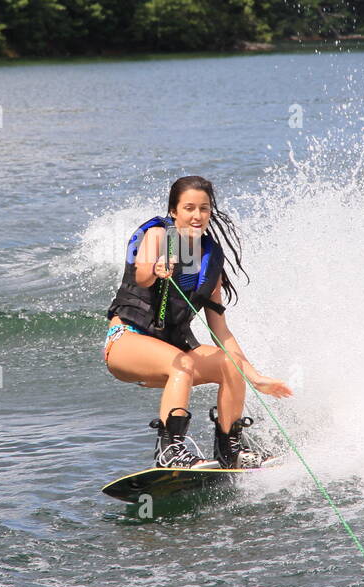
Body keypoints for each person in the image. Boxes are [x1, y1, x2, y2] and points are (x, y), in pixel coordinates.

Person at [102, 176, 293, 469]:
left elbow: (221, 331)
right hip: (127, 341)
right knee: (182, 362)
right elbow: (141, 275)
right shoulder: (157, 237)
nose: (197, 215)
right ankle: (170, 453)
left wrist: (255, 377)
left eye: (204, 208)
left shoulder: (209, 258)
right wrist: (156, 268)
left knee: (231, 364)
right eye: (189, 207)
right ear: (174, 211)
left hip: (173, 351)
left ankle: (230, 450)